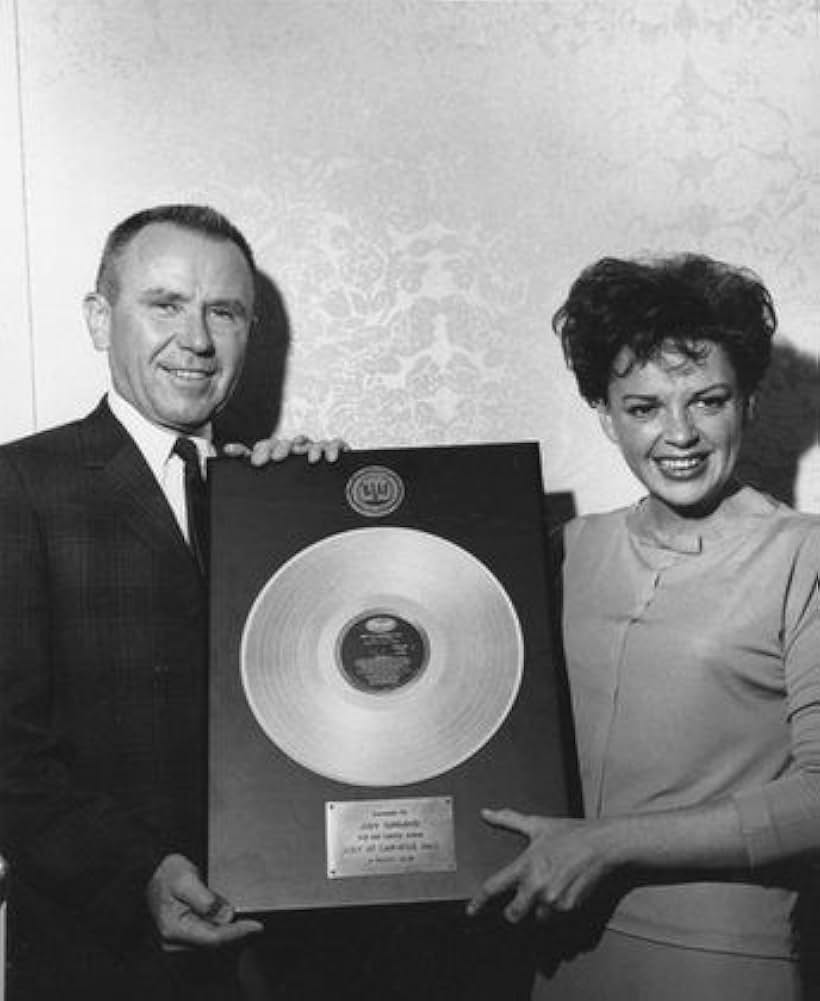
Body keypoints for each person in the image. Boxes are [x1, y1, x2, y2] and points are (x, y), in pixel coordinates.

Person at [0, 203, 344, 1001]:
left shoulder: (271, 492)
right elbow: (6, 752)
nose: (196, 339)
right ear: (99, 317)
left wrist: (329, 515)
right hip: (101, 958)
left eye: (223, 311)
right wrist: (138, 876)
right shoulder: (18, 487)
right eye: (164, 304)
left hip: (282, 958)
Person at [467, 253, 820, 999]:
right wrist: (292, 482)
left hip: (721, 969)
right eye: (645, 407)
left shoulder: (804, 555)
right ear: (605, 415)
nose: (680, 433)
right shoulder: (565, 550)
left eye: (708, 400)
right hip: (554, 958)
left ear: (748, 402)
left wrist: (607, 842)